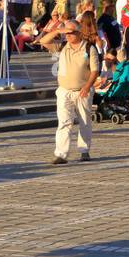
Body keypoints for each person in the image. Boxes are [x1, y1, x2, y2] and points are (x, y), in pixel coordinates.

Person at [38, 18, 100, 165]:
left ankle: (84, 150)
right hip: (64, 90)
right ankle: (61, 154)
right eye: (66, 33)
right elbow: (43, 41)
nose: (68, 35)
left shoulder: (89, 48)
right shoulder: (62, 46)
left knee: (84, 121)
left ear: (79, 33)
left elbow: (95, 70)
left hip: (82, 90)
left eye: (71, 33)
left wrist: (87, 87)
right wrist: (57, 31)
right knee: (64, 122)